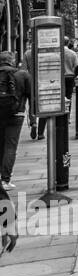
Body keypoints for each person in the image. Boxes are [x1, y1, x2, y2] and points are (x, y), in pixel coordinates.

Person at [0, 51, 31, 191]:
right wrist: (33, 119)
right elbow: (31, 96)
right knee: (10, 147)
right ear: (12, 61)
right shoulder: (22, 74)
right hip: (16, 114)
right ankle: (5, 180)